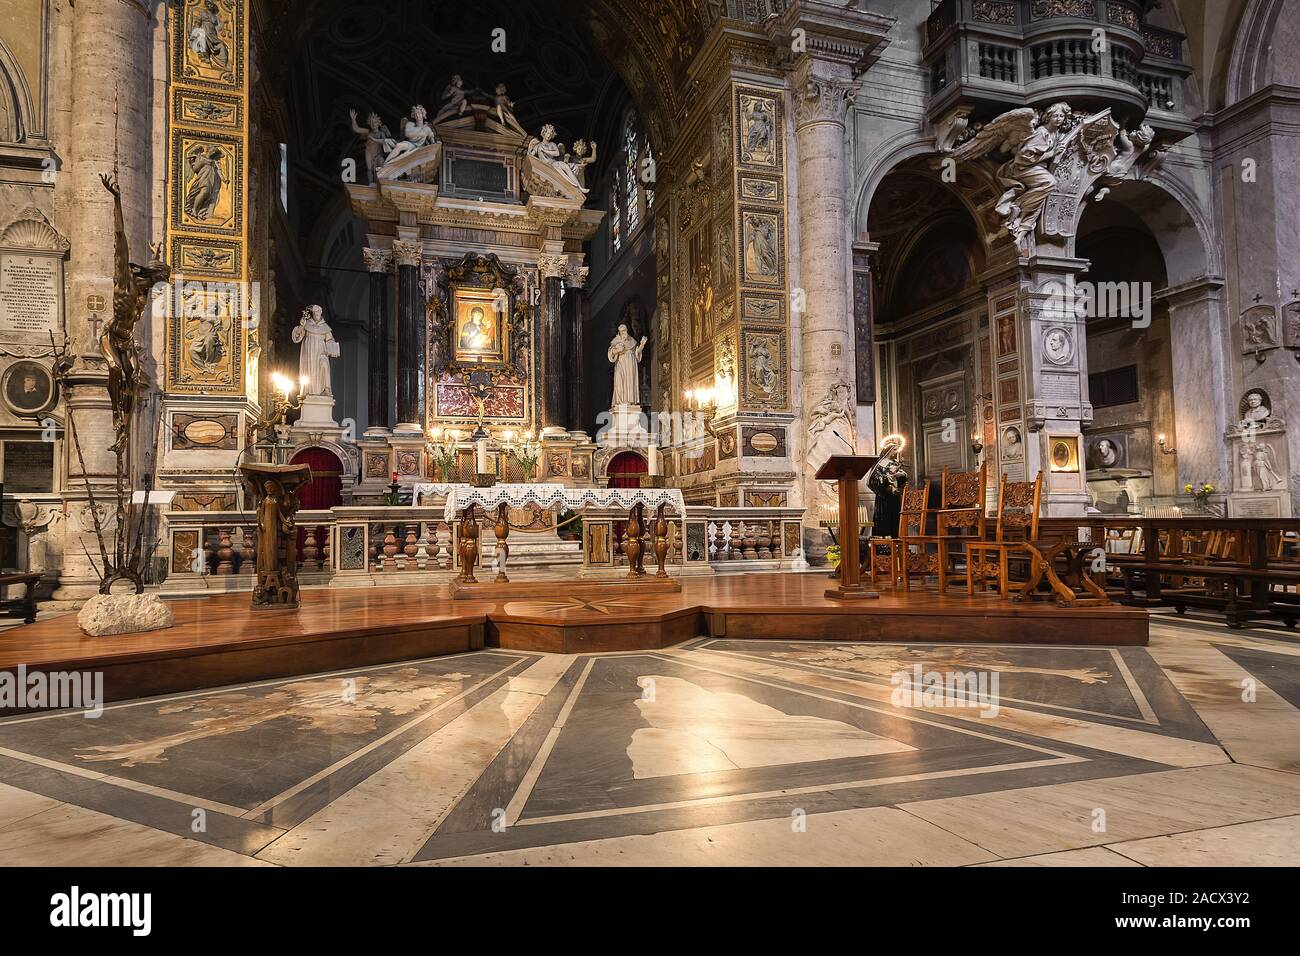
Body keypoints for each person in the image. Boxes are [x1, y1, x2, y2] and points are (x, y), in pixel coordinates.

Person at [608, 323, 647, 406]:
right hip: (621, 363)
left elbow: (637, 352)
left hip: (630, 364)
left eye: (624, 331)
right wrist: (618, 350)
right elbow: (611, 353)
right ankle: (620, 401)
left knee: (629, 381)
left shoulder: (631, 341)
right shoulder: (616, 341)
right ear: (619, 333)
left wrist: (642, 345)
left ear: (627, 330)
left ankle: (629, 400)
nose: (623, 333)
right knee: (619, 379)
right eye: (621, 332)